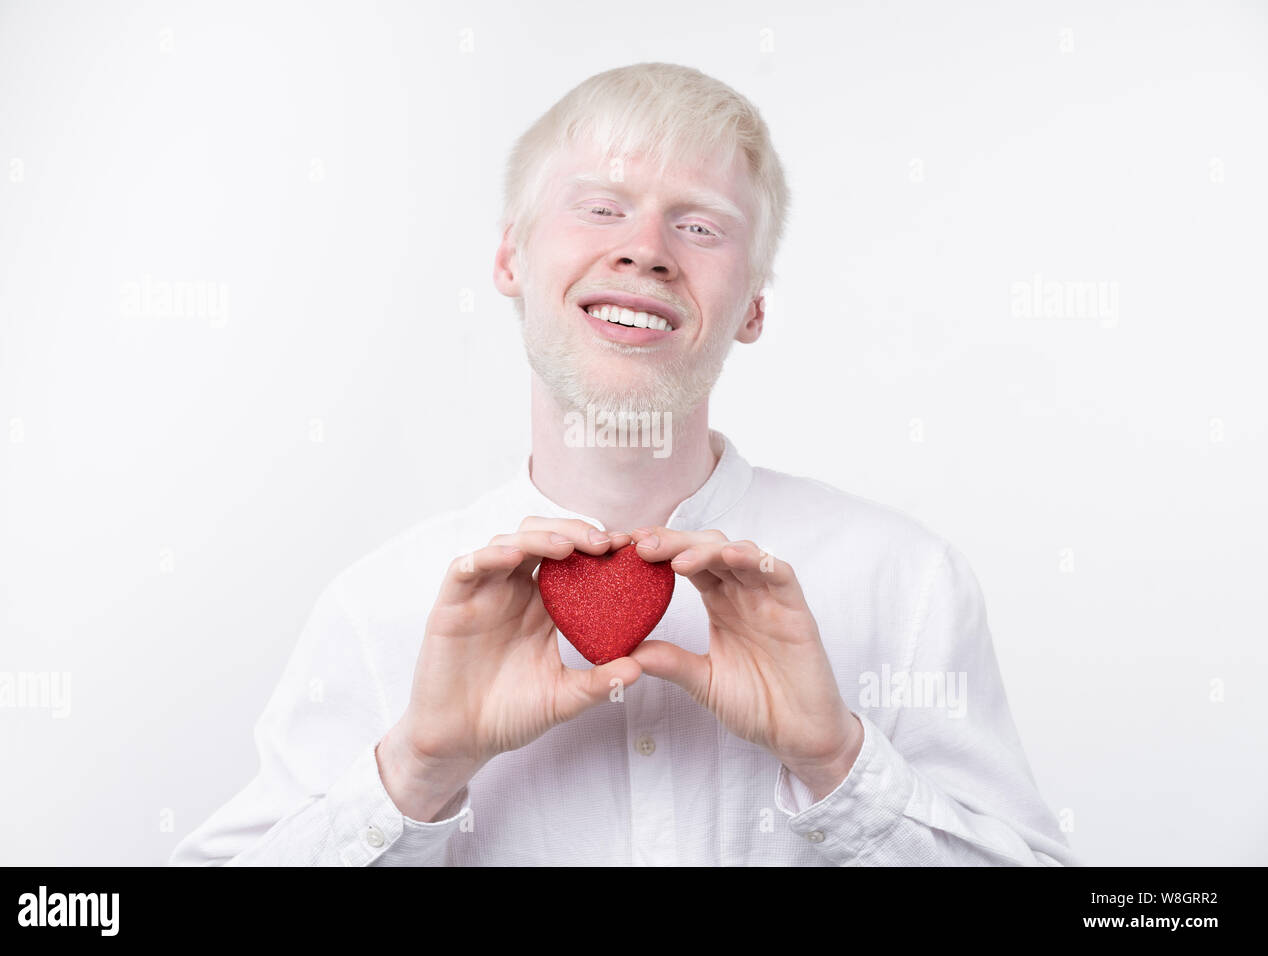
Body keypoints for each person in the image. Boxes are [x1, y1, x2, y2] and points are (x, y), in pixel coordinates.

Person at [169, 62, 1077, 866]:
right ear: (509, 258)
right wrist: (416, 772)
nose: (645, 248)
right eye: (601, 208)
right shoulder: (377, 610)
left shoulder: (906, 584)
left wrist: (837, 761)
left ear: (754, 307)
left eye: (702, 226)